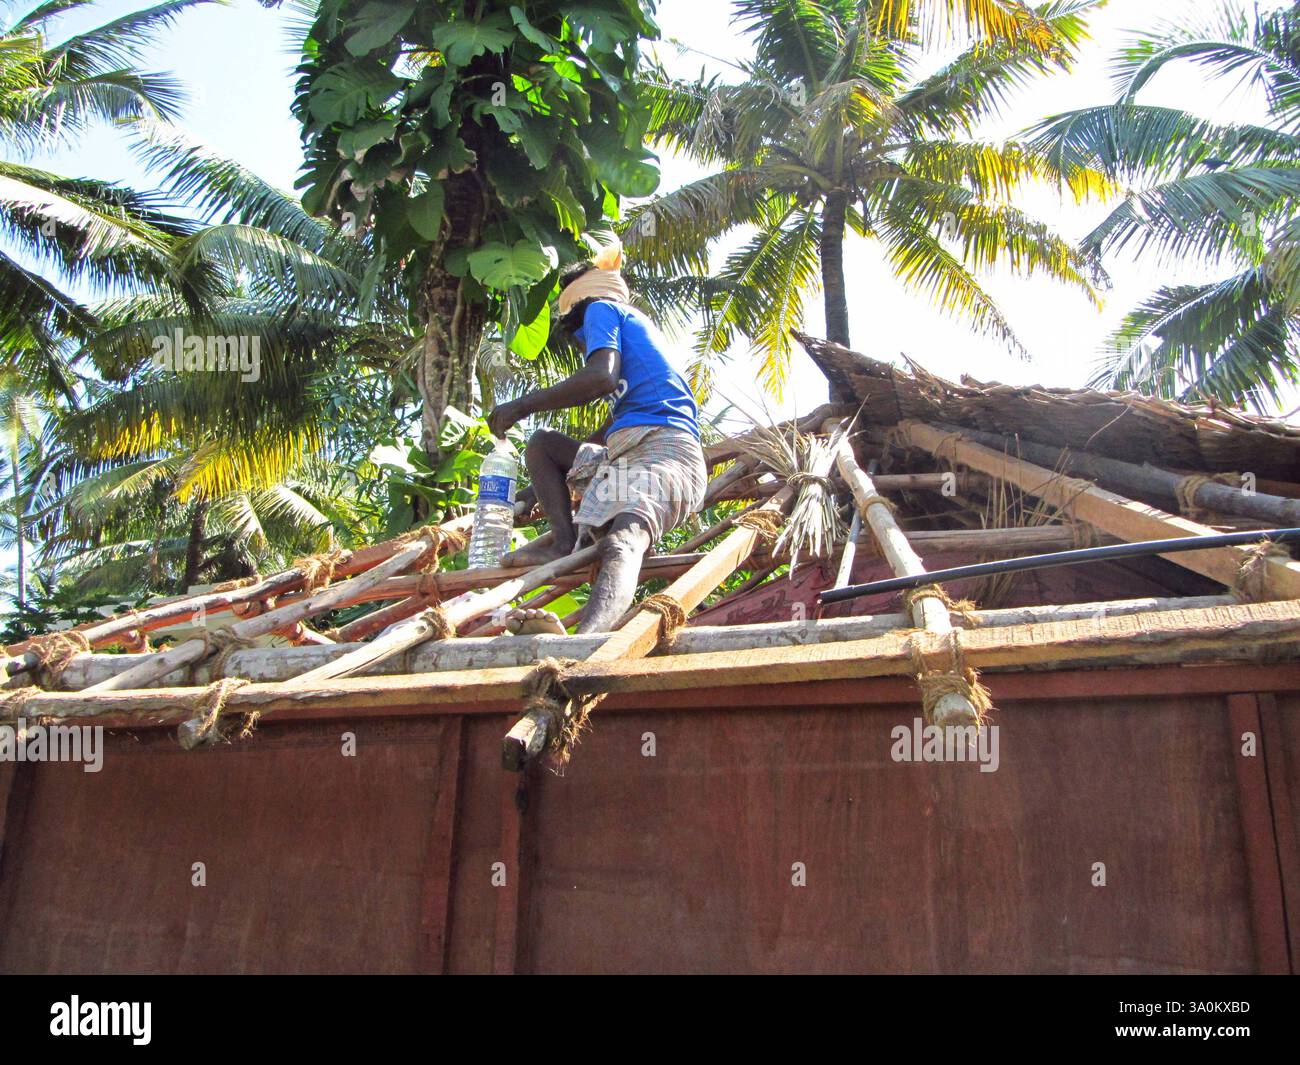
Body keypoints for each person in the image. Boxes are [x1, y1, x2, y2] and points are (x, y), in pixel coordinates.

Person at [486, 244, 706, 635]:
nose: (582, 345)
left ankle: (585, 643)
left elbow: (600, 376)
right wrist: (533, 492)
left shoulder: (602, 309)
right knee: (542, 446)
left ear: (579, 312)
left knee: (623, 542)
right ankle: (562, 544)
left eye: (578, 337)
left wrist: (518, 406)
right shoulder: (636, 361)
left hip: (663, 452)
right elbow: (603, 435)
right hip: (628, 453)